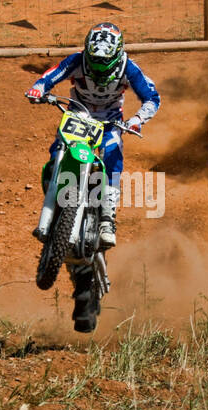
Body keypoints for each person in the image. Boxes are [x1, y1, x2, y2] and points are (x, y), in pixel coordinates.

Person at [24, 22, 159, 247]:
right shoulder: (77, 60)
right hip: (78, 115)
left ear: (117, 54)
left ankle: (107, 219)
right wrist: (39, 88)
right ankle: (56, 202)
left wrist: (136, 121)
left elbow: (152, 98)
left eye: (104, 61)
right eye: (94, 59)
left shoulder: (129, 68)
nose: (98, 65)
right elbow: (51, 75)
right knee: (57, 150)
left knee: (113, 157)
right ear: (87, 51)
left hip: (110, 120)